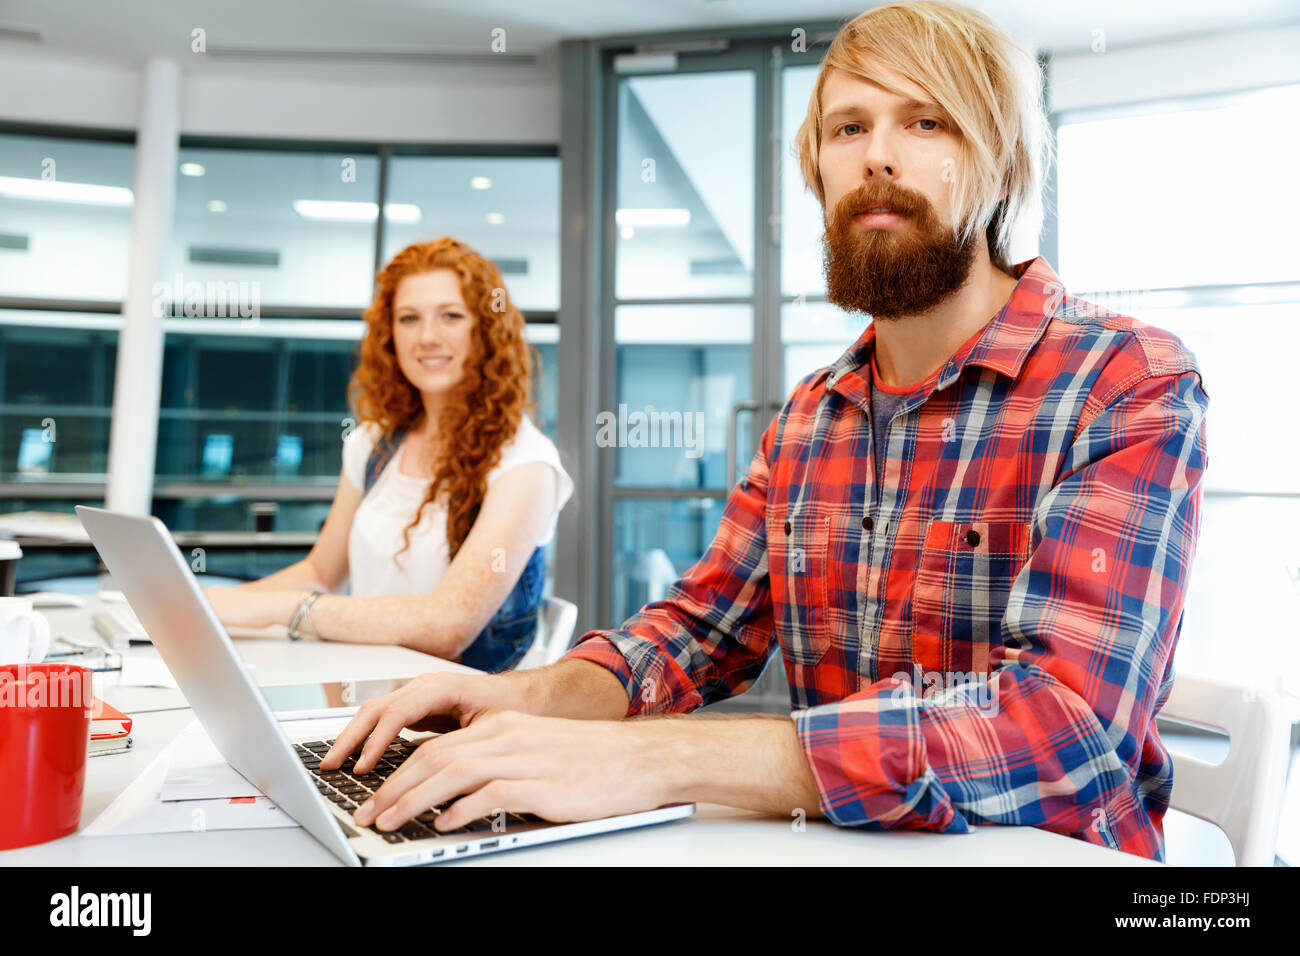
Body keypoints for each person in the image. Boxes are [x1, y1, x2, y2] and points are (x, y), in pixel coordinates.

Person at [319, 1, 1208, 861]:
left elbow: (1063, 729)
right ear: (818, 170)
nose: (880, 159)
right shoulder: (811, 418)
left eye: (928, 123)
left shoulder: (1124, 383)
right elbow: (696, 632)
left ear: (1004, 166)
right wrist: (517, 699)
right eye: (848, 128)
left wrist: (651, 760)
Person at [205, 238, 573, 672]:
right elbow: (321, 574)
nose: (427, 338)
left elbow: (448, 625)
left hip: (469, 720)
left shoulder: (525, 463)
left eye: (451, 316)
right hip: (364, 696)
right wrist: (202, 605)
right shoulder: (373, 444)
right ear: (389, 335)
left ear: (486, 330)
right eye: (408, 319)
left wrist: (288, 610)